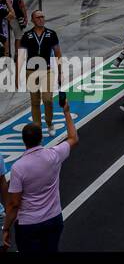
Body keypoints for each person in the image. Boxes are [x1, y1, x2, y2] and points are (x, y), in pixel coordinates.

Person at [3, 100, 78, 253]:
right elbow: (73, 138)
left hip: (29, 225)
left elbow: (14, 203)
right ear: (41, 138)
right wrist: (66, 112)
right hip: (53, 219)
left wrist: (6, 228)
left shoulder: (19, 167)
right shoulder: (54, 154)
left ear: (24, 142)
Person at [19, 10, 61, 134]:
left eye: (42, 17)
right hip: (31, 72)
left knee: (48, 99)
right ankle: (37, 128)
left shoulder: (51, 34)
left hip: (47, 70)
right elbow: (21, 55)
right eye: (38, 17)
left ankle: (49, 122)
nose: (41, 19)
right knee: (35, 101)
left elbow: (58, 53)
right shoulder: (27, 35)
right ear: (32, 20)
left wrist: (60, 72)